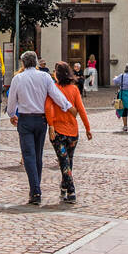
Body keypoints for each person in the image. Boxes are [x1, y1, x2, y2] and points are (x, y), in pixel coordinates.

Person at [6, 51, 73, 204]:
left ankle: (35, 191)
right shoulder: (45, 77)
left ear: (23, 63)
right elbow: (56, 95)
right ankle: (35, 188)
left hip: (25, 119)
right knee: (38, 154)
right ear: (36, 62)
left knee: (28, 154)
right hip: (41, 120)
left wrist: (11, 114)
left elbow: (12, 100)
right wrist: (67, 107)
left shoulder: (18, 78)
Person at [46, 61, 93, 202]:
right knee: (68, 160)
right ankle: (64, 186)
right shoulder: (74, 89)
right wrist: (87, 128)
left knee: (64, 161)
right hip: (73, 132)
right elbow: (81, 109)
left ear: (57, 74)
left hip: (59, 132)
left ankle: (71, 190)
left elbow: (48, 108)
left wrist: (51, 125)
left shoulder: (53, 89)